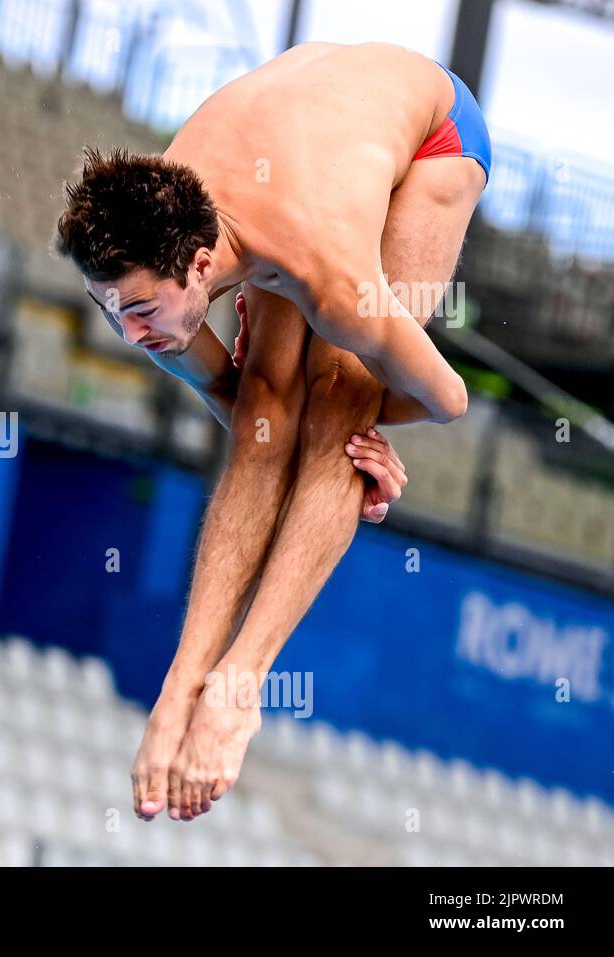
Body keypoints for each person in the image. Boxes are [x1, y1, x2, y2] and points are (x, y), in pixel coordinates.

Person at [53, 41, 490, 822]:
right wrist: (285, 454)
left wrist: (365, 452)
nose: (129, 335)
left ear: (197, 267)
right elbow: (245, 408)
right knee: (265, 402)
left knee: (340, 400)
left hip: (432, 138)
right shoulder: (148, 249)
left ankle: (238, 688)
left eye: (143, 311)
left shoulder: (332, 278)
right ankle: (181, 684)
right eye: (108, 308)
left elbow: (449, 399)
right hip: (300, 148)